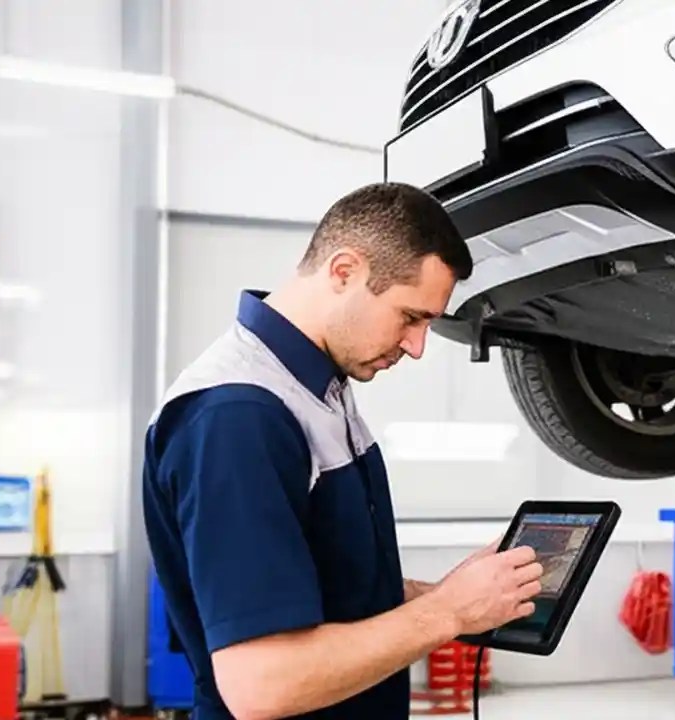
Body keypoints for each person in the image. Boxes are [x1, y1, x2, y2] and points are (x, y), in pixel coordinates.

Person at [141, 182, 544, 720]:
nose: (418, 347)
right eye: (411, 317)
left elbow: (330, 578)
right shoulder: (239, 417)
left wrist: (446, 593)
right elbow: (263, 685)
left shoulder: (317, 389)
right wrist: (446, 613)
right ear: (344, 271)